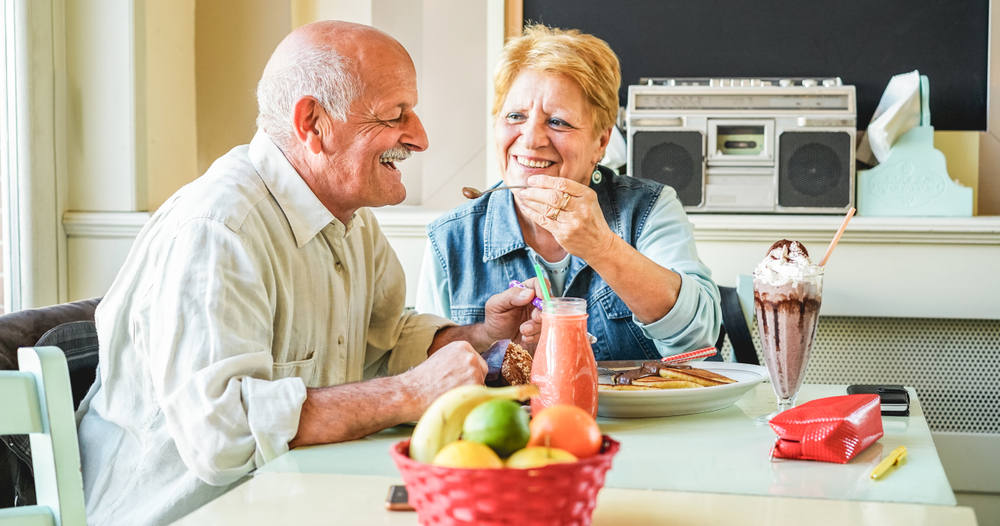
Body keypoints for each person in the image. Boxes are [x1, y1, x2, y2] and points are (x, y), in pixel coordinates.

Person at [75, 21, 542, 525]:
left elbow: (384, 337)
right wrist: (409, 393)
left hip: (298, 502)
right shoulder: (218, 229)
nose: (420, 136)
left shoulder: (351, 221)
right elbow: (222, 433)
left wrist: (480, 334)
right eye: (395, 114)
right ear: (313, 123)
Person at [416, 25, 721, 361]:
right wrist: (490, 342)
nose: (531, 139)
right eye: (515, 116)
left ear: (600, 143)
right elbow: (429, 373)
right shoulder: (450, 238)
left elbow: (699, 342)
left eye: (558, 122)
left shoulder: (648, 209)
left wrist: (601, 246)